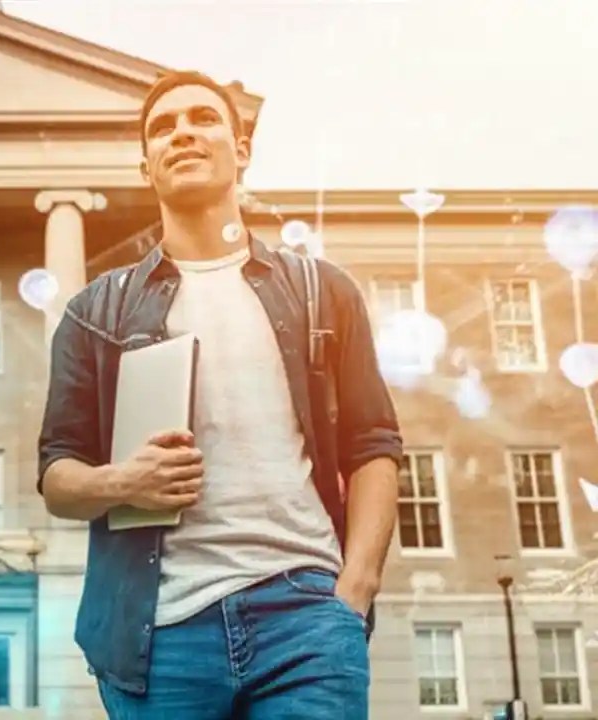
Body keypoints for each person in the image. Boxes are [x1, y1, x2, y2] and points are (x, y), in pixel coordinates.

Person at [37, 69, 404, 719]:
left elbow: (372, 445)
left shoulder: (322, 292)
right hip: (158, 637)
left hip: (306, 618)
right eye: (162, 128)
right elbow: (58, 476)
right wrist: (124, 481)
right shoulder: (96, 313)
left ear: (242, 149)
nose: (182, 133)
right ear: (146, 167)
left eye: (202, 118)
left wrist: (357, 587)